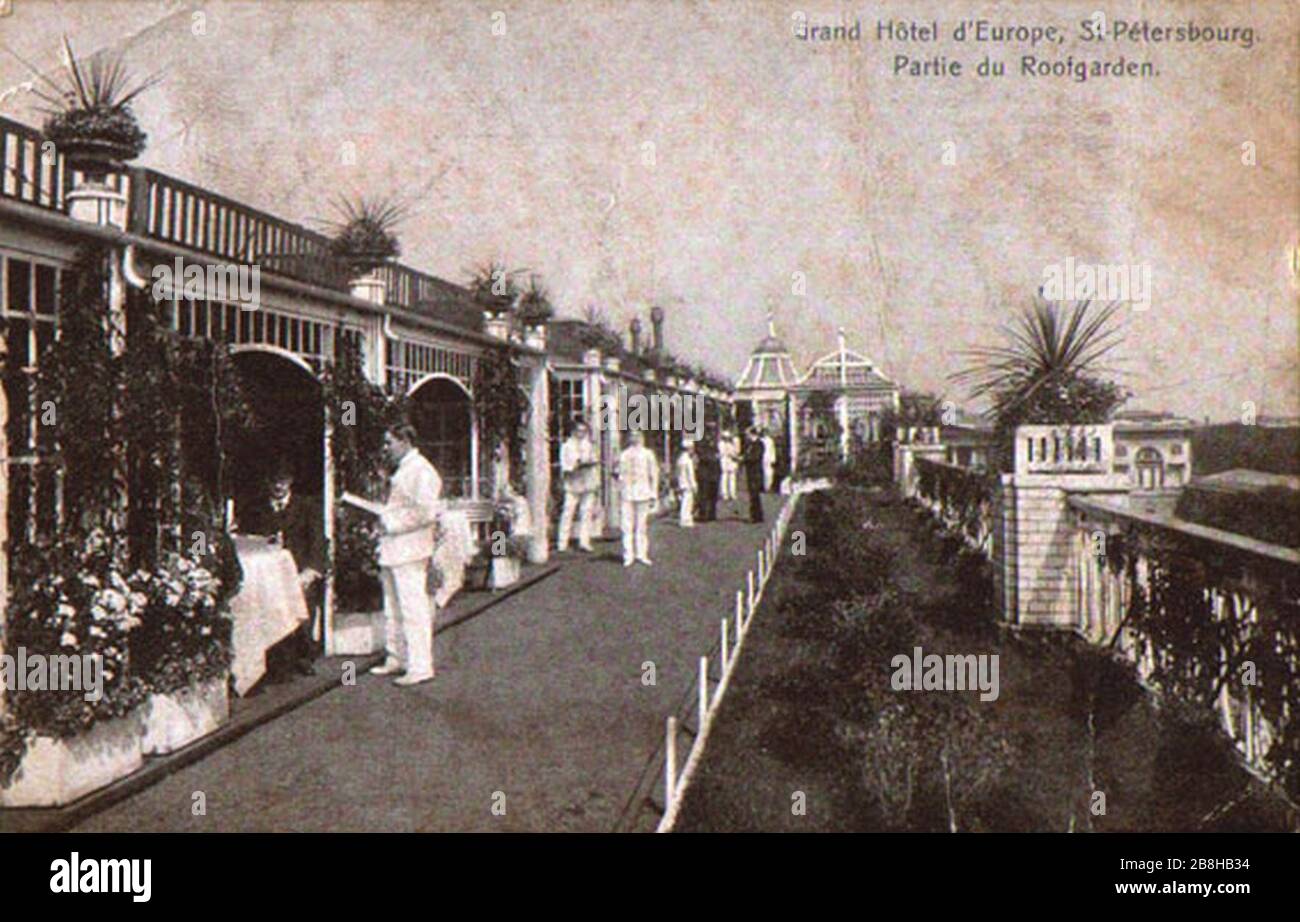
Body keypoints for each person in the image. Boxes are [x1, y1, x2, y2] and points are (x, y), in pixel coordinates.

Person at [370, 423, 443, 687]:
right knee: (392, 606)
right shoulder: (405, 469)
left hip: (410, 549)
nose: (386, 449)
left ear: (405, 441)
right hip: (394, 549)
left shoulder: (422, 471)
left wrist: (391, 522)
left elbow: (425, 512)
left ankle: (421, 665)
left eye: (390, 443)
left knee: (413, 608)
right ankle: (397, 657)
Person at [244, 467, 324, 677]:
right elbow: (249, 538)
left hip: (300, 570)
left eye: (283, 481)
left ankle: (304, 656)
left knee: (303, 605)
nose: (278, 486)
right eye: (274, 481)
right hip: (269, 573)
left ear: (291, 481)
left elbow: (318, 541)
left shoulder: (306, 506)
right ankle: (275, 659)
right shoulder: (258, 508)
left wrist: (311, 570)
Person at [616, 428, 658, 566]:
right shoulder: (624, 455)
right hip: (627, 492)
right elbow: (620, 473)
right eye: (632, 435)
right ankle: (628, 555)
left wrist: (653, 493)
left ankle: (642, 554)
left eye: (638, 435)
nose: (635, 438)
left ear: (642, 437)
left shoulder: (648, 454)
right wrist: (619, 481)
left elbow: (653, 474)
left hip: (643, 491)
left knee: (641, 525)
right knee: (627, 525)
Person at [556, 419, 600, 553]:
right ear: (573, 431)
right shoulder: (567, 446)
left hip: (587, 481)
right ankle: (562, 542)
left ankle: (584, 541)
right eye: (579, 431)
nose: (582, 434)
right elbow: (565, 465)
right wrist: (575, 466)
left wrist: (591, 463)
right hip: (573, 482)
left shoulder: (589, 445)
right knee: (568, 511)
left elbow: (594, 460)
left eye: (584, 431)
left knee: (586, 512)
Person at [695, 426, 720, 523]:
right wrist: (713, 457)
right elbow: (703, 456)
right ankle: (703, 514)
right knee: (704, 494)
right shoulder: (701, 443)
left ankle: (712, 514)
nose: (711, 434)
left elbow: (717, 455)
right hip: (705, 473)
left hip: (714, 473)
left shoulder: (714, 443)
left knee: (713, 495)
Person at [743, 426, 766, 523]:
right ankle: (754, 514)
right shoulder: (749, 444)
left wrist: (745, 458)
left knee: (755, 494)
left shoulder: (759, 444)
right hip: (750, 472)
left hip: (756, 472)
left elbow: (755, 457)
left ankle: (757, 516)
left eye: (747, 434)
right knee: (752, 494)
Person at [675, 439, 697, 529]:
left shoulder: (680, 459)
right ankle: (685, 519)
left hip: (681, 482)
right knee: (687, 502)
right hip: (687, 483)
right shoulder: (688, 460)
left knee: (685, 501)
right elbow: (690, 474)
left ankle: (686, 518)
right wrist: (694, 485)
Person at [719, 428, 739, 502]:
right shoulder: (721, 444)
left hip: (730, 461)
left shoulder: (731, 443)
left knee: (732, 477)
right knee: (725, 476)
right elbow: (727, 453)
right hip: (725, 461)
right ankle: (725, 494)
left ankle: (732, 493)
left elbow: (734, 452)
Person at [761, 427, 778, 493]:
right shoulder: (761, 440)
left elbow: (772, 450)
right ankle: (765, 486)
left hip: (768, 458)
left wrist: (773, 459)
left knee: (769, 472)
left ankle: (768, 486)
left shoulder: (770, 441)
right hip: (763, 458)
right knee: (764, 472)